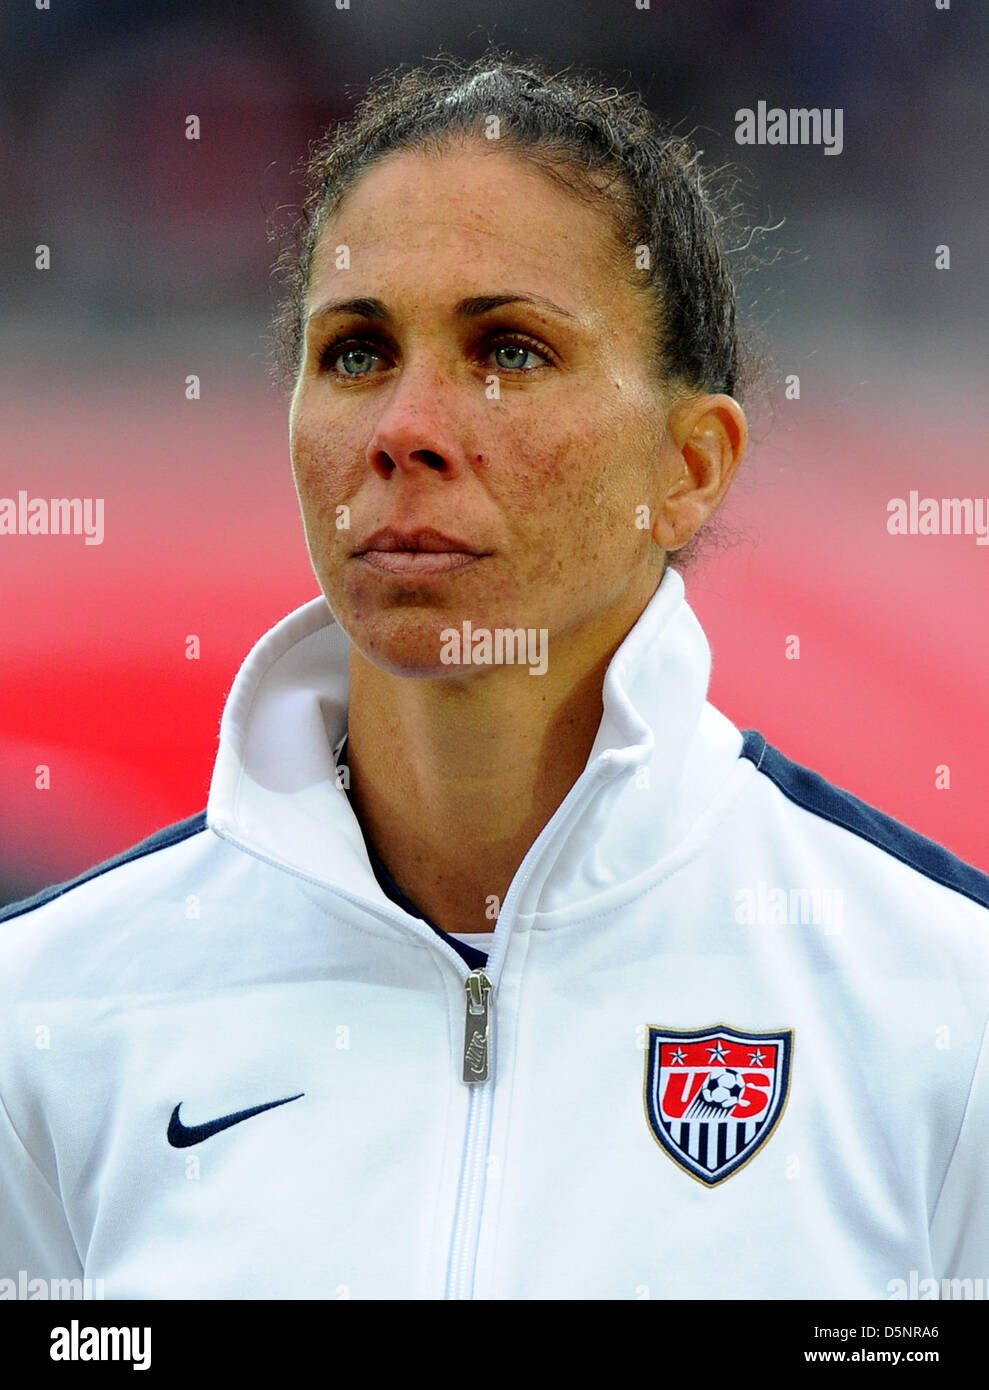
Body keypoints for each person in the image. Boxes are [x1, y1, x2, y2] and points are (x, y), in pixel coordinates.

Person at [1, 52, 987, 1303]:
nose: (405, 426)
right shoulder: (47, 1014)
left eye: (509, 349)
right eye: (355, 352)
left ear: (688, 465)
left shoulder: (944, 998)